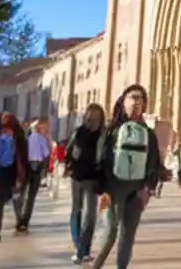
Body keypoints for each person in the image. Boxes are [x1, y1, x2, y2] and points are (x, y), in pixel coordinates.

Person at [92, 84, 164, 269]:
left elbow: (154, 163)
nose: (137, 102)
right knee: (110, 233)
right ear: (123, 101)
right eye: (133, 97)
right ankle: (95, 265)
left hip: (136, 192)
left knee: (127, 236)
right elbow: (101, 161)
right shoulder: (111, 131)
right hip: (113, 190)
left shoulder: (148, 134)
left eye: (141, 99)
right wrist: (103, 190)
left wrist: (149, 186)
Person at [67, 103, 106, 265]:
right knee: (77, 210)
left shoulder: (103, 135)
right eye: (90, 117)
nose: (92, 121)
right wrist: (69, 165)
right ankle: (79, 247)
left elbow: (105, 158)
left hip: (93, 179)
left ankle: (84, 250)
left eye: (96, 118)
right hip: (77, 177)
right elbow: (69, 151)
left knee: (90, 215)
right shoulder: (79, 132)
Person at [0, 113, 30, 243]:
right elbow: (24, 157)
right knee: (16, 199)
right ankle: (19, 221)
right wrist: (24, 176)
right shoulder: (19, 135)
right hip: (12, 174)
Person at [13, 117, 52, 232]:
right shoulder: (41, 139)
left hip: (26, 166)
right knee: (31, 197)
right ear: (40, 128)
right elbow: (46, 154)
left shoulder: (27, 138)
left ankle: (19, 217)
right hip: (37, 167)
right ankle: (25, 221)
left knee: (21, 193)